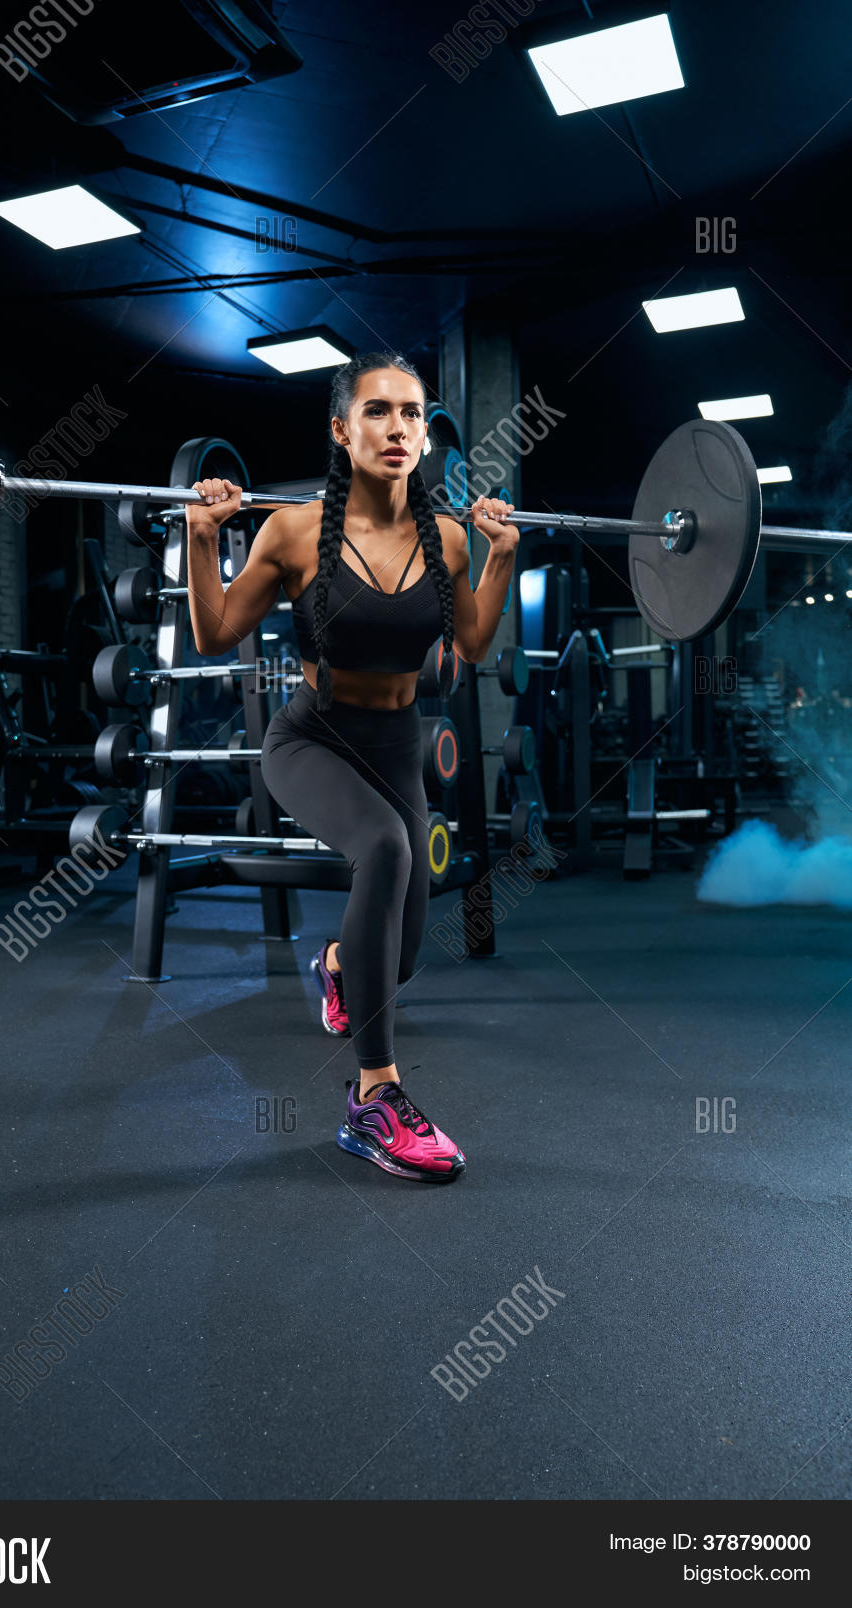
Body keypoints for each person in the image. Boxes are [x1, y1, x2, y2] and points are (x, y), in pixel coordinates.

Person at [185, 351, 518, 1182]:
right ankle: (374, 1099)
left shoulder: (446, 539)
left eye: (411, 413)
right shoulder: (293, 531)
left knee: (394, 962)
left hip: (396, 745)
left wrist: (502, 554)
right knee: (385, 848)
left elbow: (474, 643)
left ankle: (337, 965)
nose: (398, 428)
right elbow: (214, 635)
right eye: (377, 411)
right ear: (341, 430)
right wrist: (201, 538)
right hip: (311, 739)